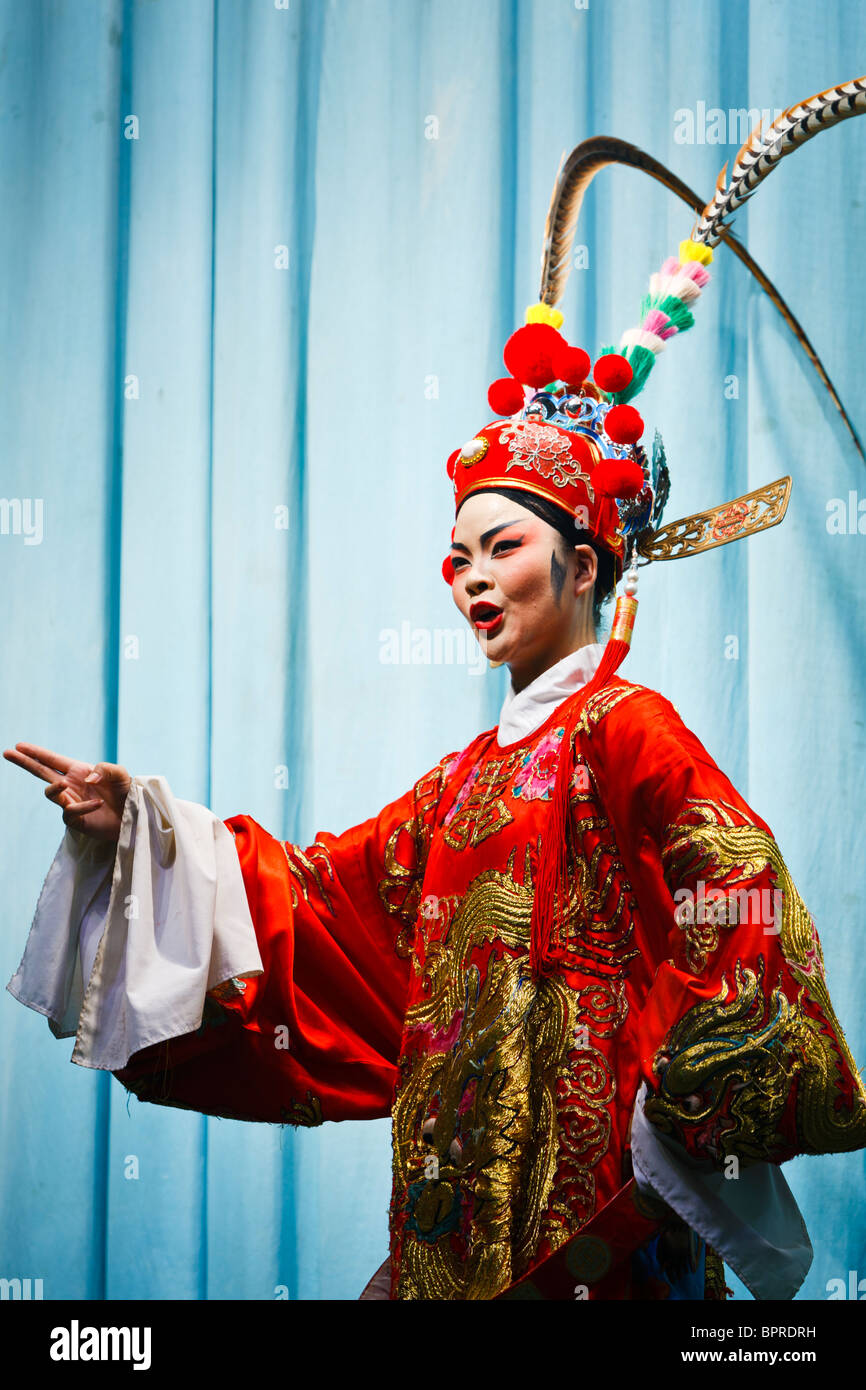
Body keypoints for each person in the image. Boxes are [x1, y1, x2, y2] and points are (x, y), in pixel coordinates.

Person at [7, 76, 866, 1302]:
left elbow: (739, 896)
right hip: (450, 1240)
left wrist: (671, 1099)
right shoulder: (459, 788)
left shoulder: (629, 733)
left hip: (597, 1245)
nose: (466, 575)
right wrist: (139, 823)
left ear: (583, 562)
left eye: (500, 547)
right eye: (456, 553)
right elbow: (314, 909)